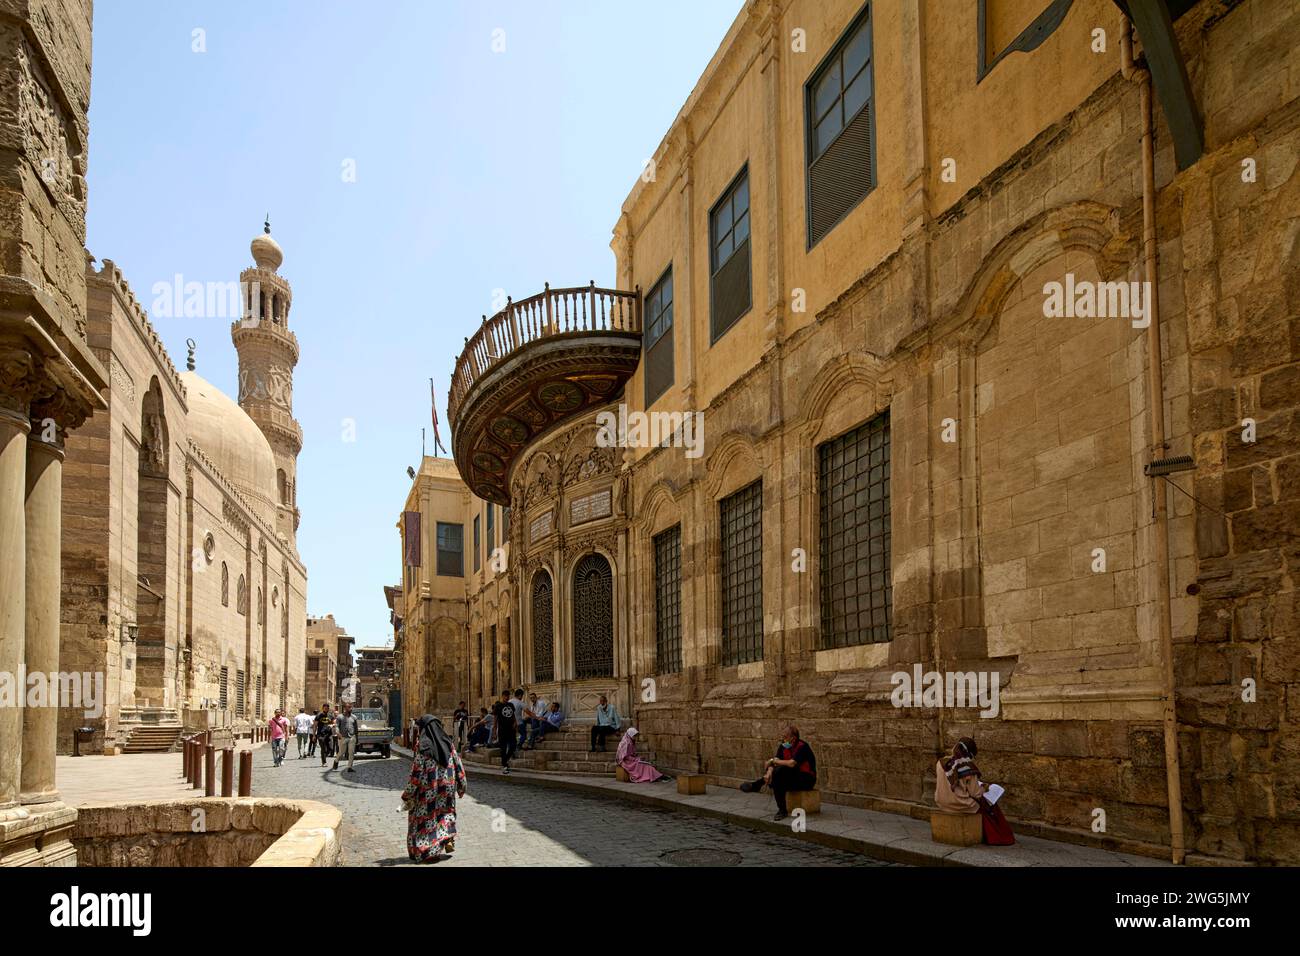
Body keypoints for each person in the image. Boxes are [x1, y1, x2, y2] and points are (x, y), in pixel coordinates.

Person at [401, 715, 467, 863]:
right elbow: (458, 765)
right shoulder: (448, 743)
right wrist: (462, 785)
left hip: (428, 790)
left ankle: (428, 851)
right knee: (445, 814)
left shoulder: (423, 746)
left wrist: (408, 793)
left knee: (427, 819)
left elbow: (416, 772)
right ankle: (446, 838)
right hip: (447, 787)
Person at [935, 736, 1014, 845]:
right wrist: (985, 788)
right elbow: (975, 793)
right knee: (990, 805)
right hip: (960, 804)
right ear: (970, 753)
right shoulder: (968, 767)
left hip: (942, 802)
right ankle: (998, 837)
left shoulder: (940, 763)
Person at [740, 725, 817, 821]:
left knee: (781, 771)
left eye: (784, 737)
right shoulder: (783, 746)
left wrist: (772, 761)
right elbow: (775, 761)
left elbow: (791, 763)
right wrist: (768, 773)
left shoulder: (802, 746)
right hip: (791, 777)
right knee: (777, 775)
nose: (782, 739)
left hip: (806, 779)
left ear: (793, 738)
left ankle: (758, 785)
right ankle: (781, 809)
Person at [492, 690, 518, 774]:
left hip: (511, 730)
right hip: (502, 730)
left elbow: (513, 715)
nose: (507, 697)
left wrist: (515, 723)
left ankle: (505, 760)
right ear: (502, 696)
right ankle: (505, 765)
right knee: (503, 748)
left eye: (508, 696)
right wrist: (494, 732)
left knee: (513, 746)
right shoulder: (498, 706)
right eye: (505, 696)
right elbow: (495, 720)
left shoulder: (511, 705)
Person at [334, 702, 359, 772]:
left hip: (352, 737)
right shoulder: (340, 717)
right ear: (345, 708)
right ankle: (336, 760)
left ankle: (349, 767)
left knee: (351, 752)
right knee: (342, 752)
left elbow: (356, 728)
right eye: (349, 707)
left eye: (351, 707)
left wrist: (357, 738)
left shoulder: (354, 717)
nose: (351, 709)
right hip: (343, 737)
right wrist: (337, 732)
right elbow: (337, 726)